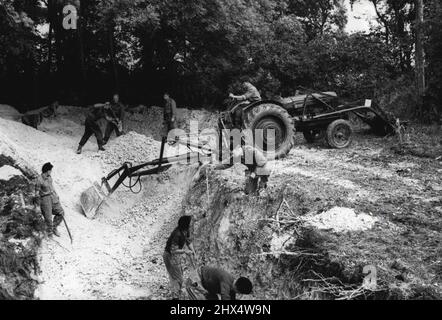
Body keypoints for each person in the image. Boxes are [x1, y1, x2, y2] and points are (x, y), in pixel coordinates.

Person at [163, 215, 195, 300]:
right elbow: (173, 250)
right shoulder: (177, 234)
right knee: (176, 277)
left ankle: (177, 294)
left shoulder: (186, 231)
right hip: (169, 256)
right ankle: (175, 297)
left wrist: (193, 250)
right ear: (185, 224)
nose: (191, 224)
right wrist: (185, 251)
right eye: (189, 223)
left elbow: (188, 241)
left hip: (176, 256)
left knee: (179, 275)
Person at [34, 162, 65, 238]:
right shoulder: (39, 179)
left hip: (52, 196)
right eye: (50, 170)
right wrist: (37, 205)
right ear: (47, 170)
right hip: (44, 199)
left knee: (61, 212)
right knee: (48, 218)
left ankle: (54, 227)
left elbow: (52, 187)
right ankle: (49, 233)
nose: (51, 172)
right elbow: (36, 193)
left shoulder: (49, 177)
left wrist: (56, 195)